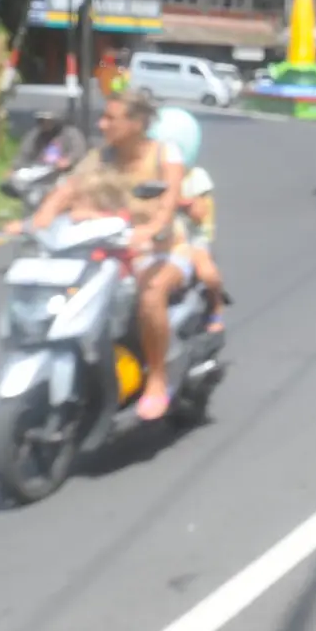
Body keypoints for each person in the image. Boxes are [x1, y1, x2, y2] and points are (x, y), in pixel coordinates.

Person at [30, 89, 190, 420]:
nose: (102, 125)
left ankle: (158, 380)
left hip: (162, 250)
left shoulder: (164, 155)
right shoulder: (101, 157)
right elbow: (67, 190)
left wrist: (153, 229)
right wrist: (43, 216)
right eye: (103, 117)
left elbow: (169, 203)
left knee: (150, 296)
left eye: (110, 118)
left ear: (137, 123)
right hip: (110, 249)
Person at [148, 105, 227, 330]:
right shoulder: (147, 174)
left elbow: (201, 213)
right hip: (154, 236)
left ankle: (216, 306)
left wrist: (181, 201)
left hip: (190, 237)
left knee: (207, 272)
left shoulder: (196, 178)